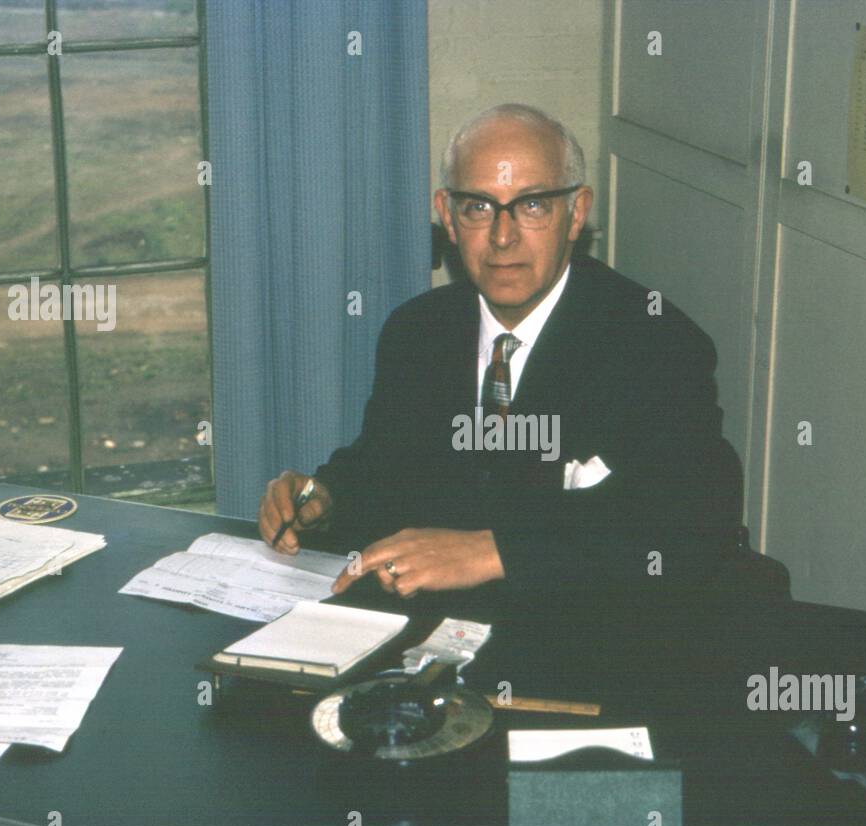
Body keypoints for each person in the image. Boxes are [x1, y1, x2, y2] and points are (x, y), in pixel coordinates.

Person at [259, 104, 741, 605]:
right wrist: (324, 497)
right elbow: (387, 468)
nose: (503, 236)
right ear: (447, 214)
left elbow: (688, 525)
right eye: (479, 207)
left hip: (587, 633)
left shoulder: (655, 344)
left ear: (576, 214)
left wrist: (494, 551)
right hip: (439, 629)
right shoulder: (417, 331)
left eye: (532, 206)